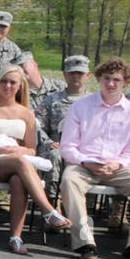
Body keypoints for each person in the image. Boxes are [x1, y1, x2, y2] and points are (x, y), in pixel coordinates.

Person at [0, 63, 71, 254]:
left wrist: (18, 152)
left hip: (17, 164)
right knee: (20, 162)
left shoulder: (27, 114)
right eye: (4, 81)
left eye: (13, 82)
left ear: (20, 86)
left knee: (18, 179)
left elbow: (31, 150)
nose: (8, 86)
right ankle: (48, 211)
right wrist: (0, 150)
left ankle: (15, 238)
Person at [57, 57, 130, 259]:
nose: (111, 84)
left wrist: (118, 164)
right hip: (84, 164)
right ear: (98, 80)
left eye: (117, 80)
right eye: (107, 79)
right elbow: (67, 147)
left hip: (117, 167)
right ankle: (85, 243)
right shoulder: (81, 107)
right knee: (69, 180)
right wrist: (86, 162)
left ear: (126, 82)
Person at [36, 54, 91, 187]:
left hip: (86, 149)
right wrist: (49, 143)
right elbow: (37, 126)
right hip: (57, 147)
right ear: (65, 75)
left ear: (88, 75)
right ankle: (53, 202)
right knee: (55, 156)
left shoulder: (95, 102)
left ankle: (88, 203)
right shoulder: (51, 100)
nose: (76, 76)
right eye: (72, 73)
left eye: (80, 73)